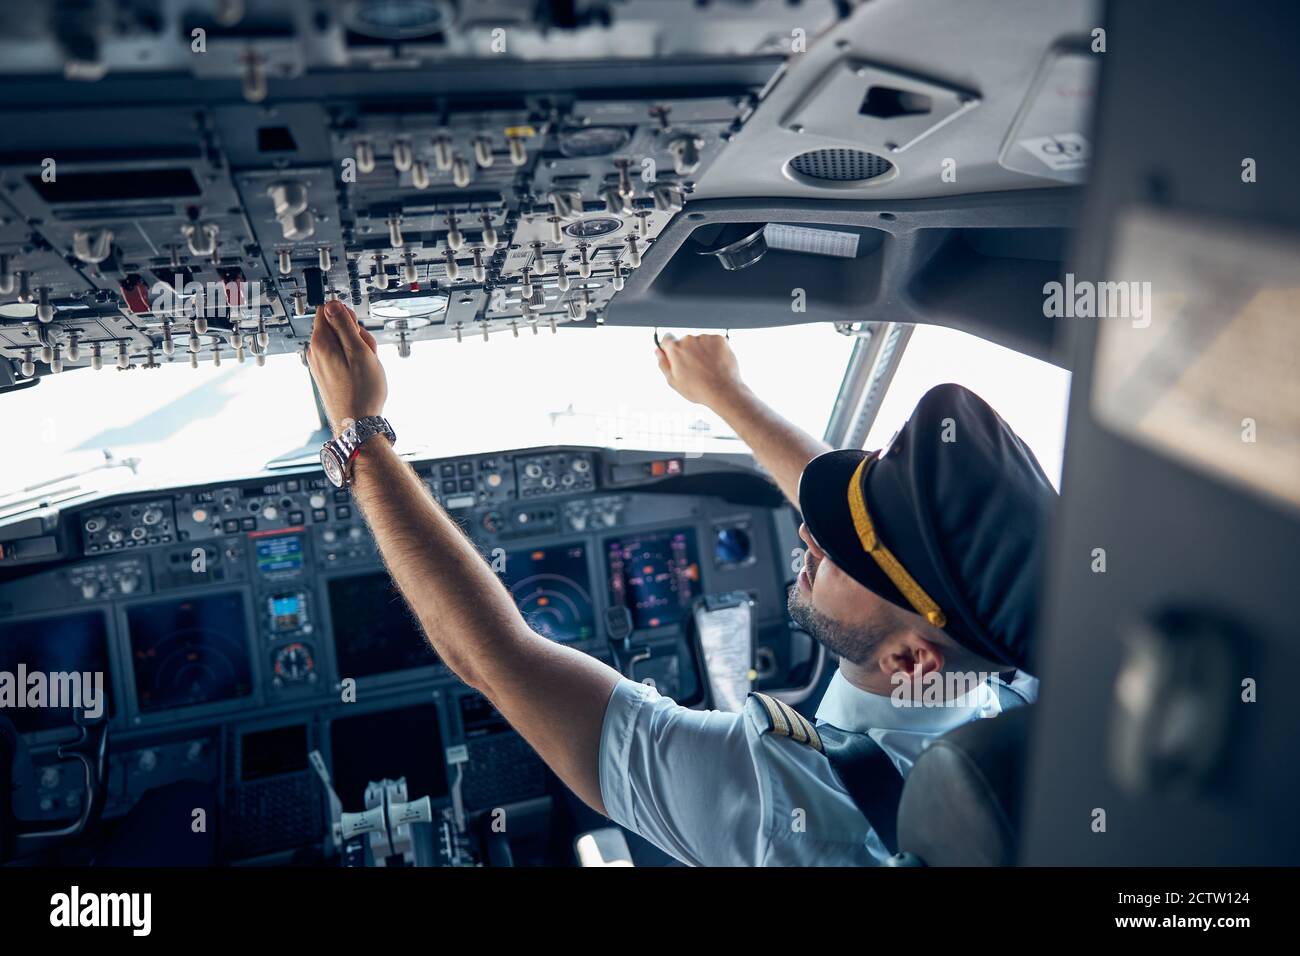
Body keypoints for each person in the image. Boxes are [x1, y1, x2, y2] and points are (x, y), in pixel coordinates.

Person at [306, 305, 1056, 865]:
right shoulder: (1009, 685)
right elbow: (885, 550)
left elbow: (495, 657)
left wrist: (359, 432)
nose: (807, 534)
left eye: (841, 557)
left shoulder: (792, 808)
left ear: (911, 661)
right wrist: (724, 393)